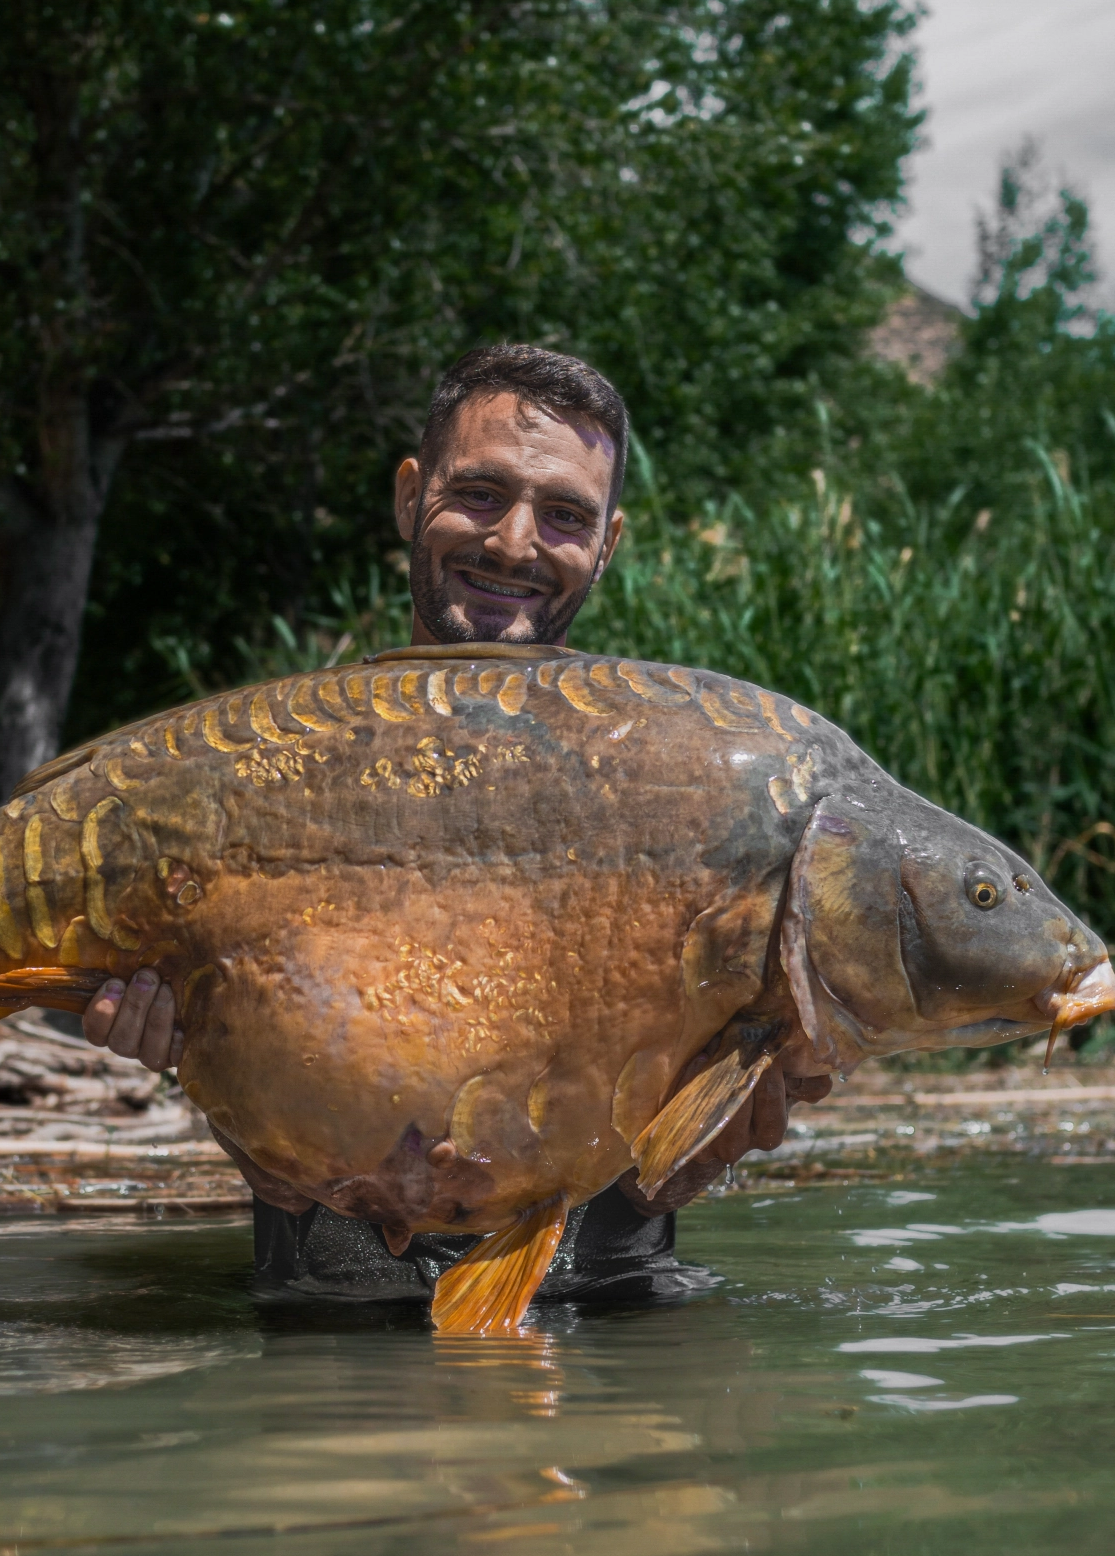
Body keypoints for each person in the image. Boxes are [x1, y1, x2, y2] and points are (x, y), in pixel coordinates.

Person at [82, 344, 830, 1304]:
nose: (514, 543)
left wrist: (714, 1132)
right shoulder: (272, 777)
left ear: (607, 545)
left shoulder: (677, 793)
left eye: (564, 514)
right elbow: (274, 1144)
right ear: (409, 497)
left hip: (609, 1342)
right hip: (344, 1348)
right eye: (479, 493)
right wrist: (192, 1052)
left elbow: (661, 1162)